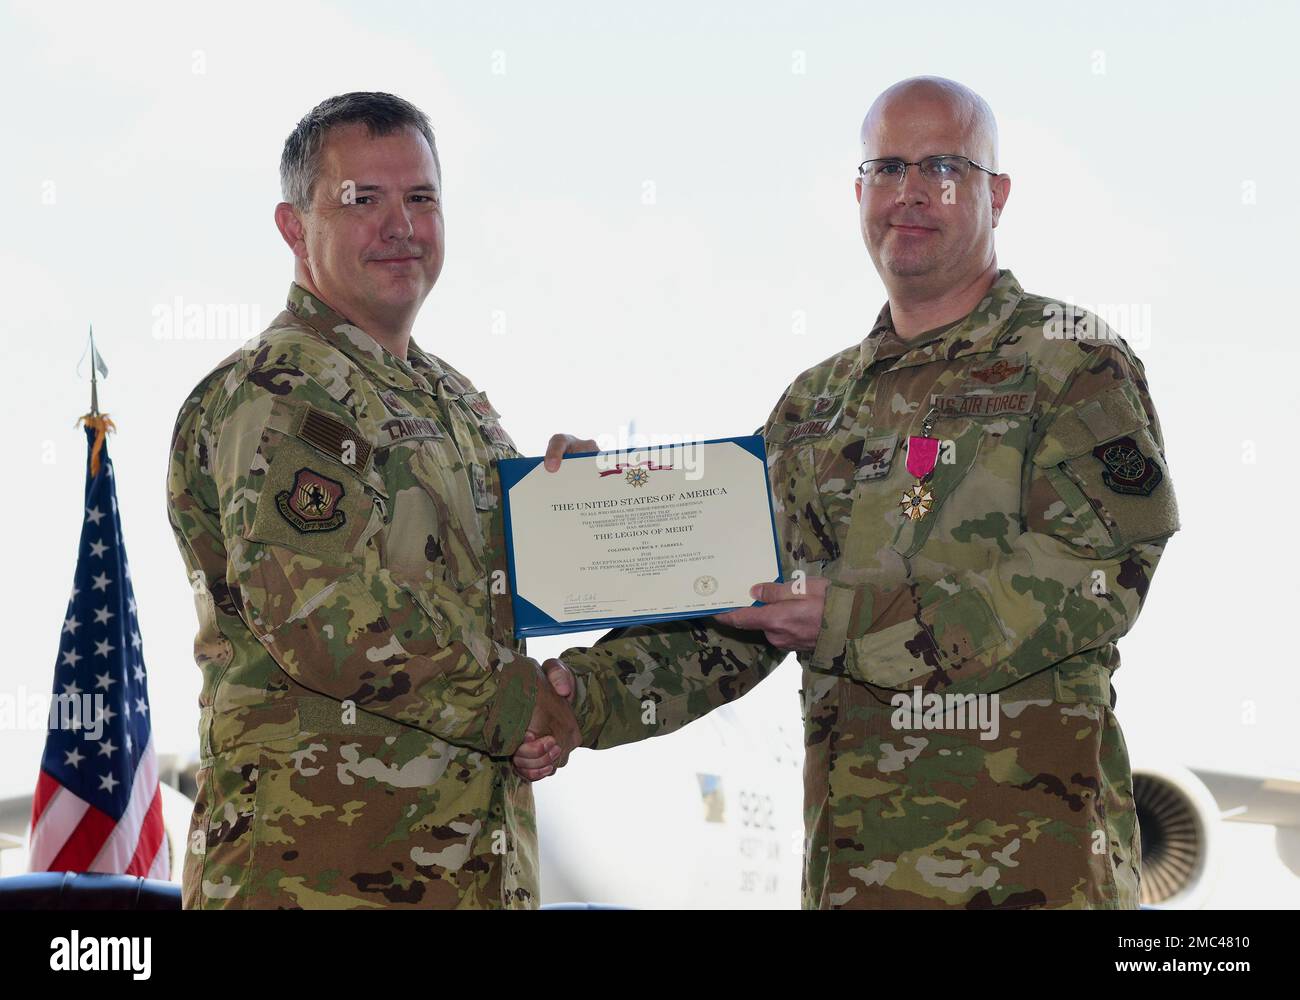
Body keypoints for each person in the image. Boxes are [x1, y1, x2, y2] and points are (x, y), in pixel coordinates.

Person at [517, 76, 1180, 909]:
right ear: (859, 191)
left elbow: (1096, 574)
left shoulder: (1071, 361)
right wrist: (585, 690)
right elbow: (736, 617)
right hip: (853, 879)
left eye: (943, 167)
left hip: (1031, 877)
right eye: (887, 168)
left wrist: (845, 617)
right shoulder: (814, 406)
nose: (909, 193)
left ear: (997, 194)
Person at [165, 92, 590, 909]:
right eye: (364, 200)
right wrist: (519, 707)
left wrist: (585, 509)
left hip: (465, 871)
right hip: (314, 876)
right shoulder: (283, 392)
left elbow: (508, 596)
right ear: (295, 228)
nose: (402, 226)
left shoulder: (456, 404)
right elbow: (323, 619)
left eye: (421, 198)